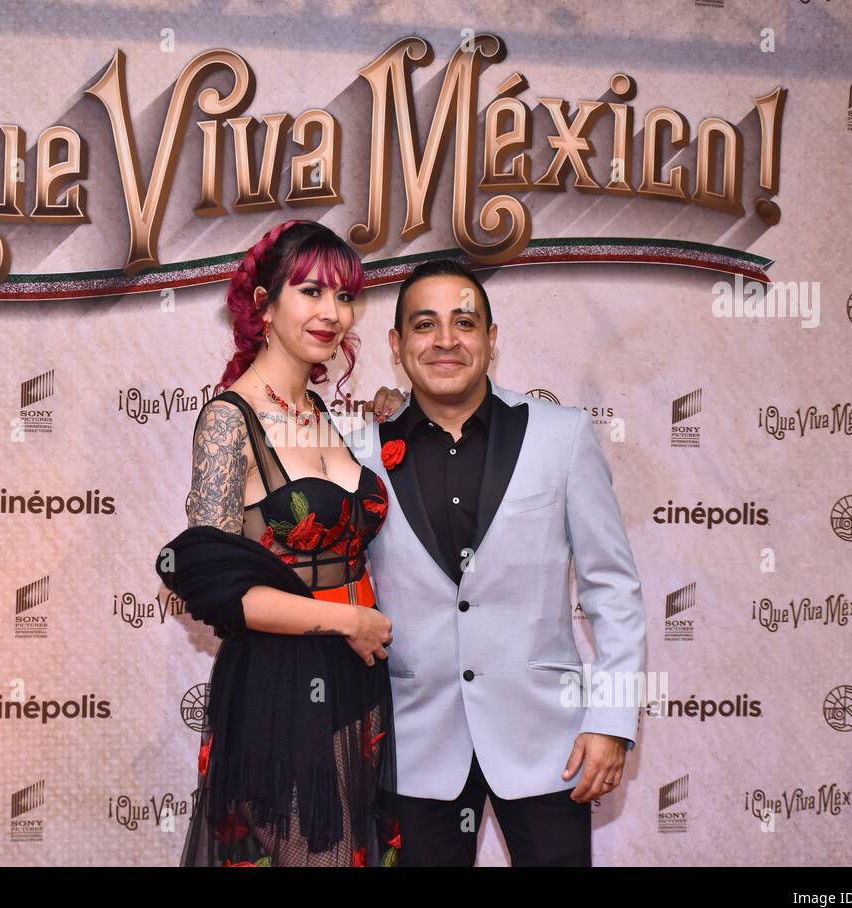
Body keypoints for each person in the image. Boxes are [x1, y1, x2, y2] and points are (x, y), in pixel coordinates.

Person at [352, 258, 647, 866]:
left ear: (490, 339)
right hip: (413, 750)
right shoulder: (359, 454)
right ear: (397, 345)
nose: (445, 341)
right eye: (424, 325)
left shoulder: (561, 436)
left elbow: (612, 589)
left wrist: (613, 720)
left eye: (464, 322)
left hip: (549, 743)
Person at [155, 219, 401, 866]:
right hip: (280, 688)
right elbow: (207, 581)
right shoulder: (228, 421)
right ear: (263, 304)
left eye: (345, 297)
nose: (332, 313)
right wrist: (345, 618)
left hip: (358, 686)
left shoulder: (322, 413)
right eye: (311, 292)